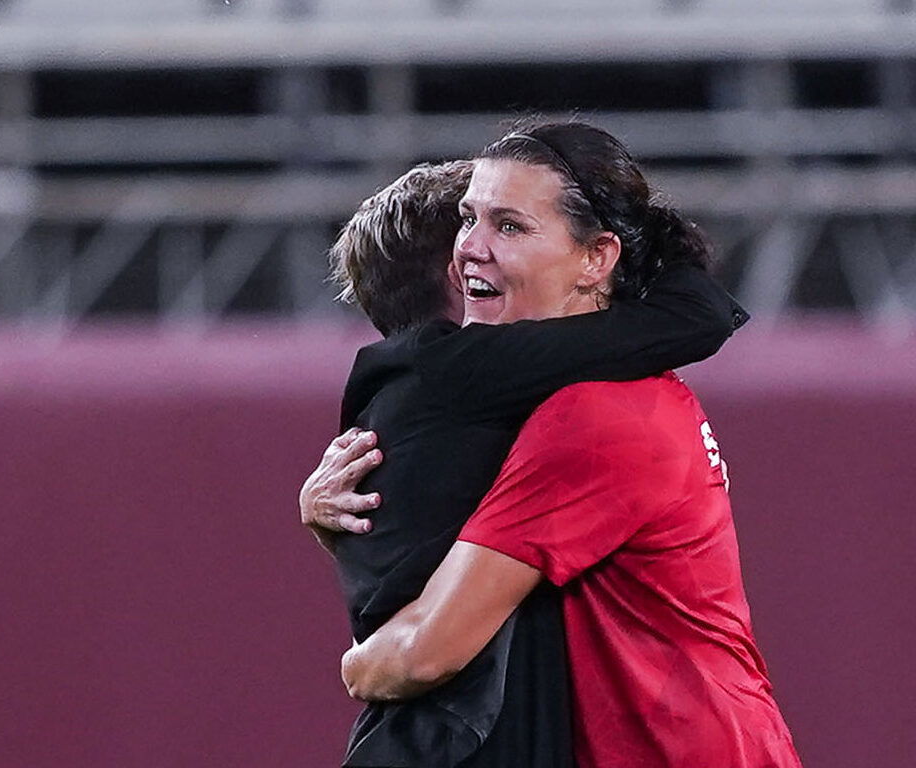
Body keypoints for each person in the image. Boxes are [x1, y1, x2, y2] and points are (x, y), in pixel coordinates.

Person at [328, 123, 803, 768]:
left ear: (596, 259)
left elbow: (427, 652)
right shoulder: (612, 389)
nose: (470, 247)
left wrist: (356, 665)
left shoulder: (593, 416)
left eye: (511, 227)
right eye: (470, 218)